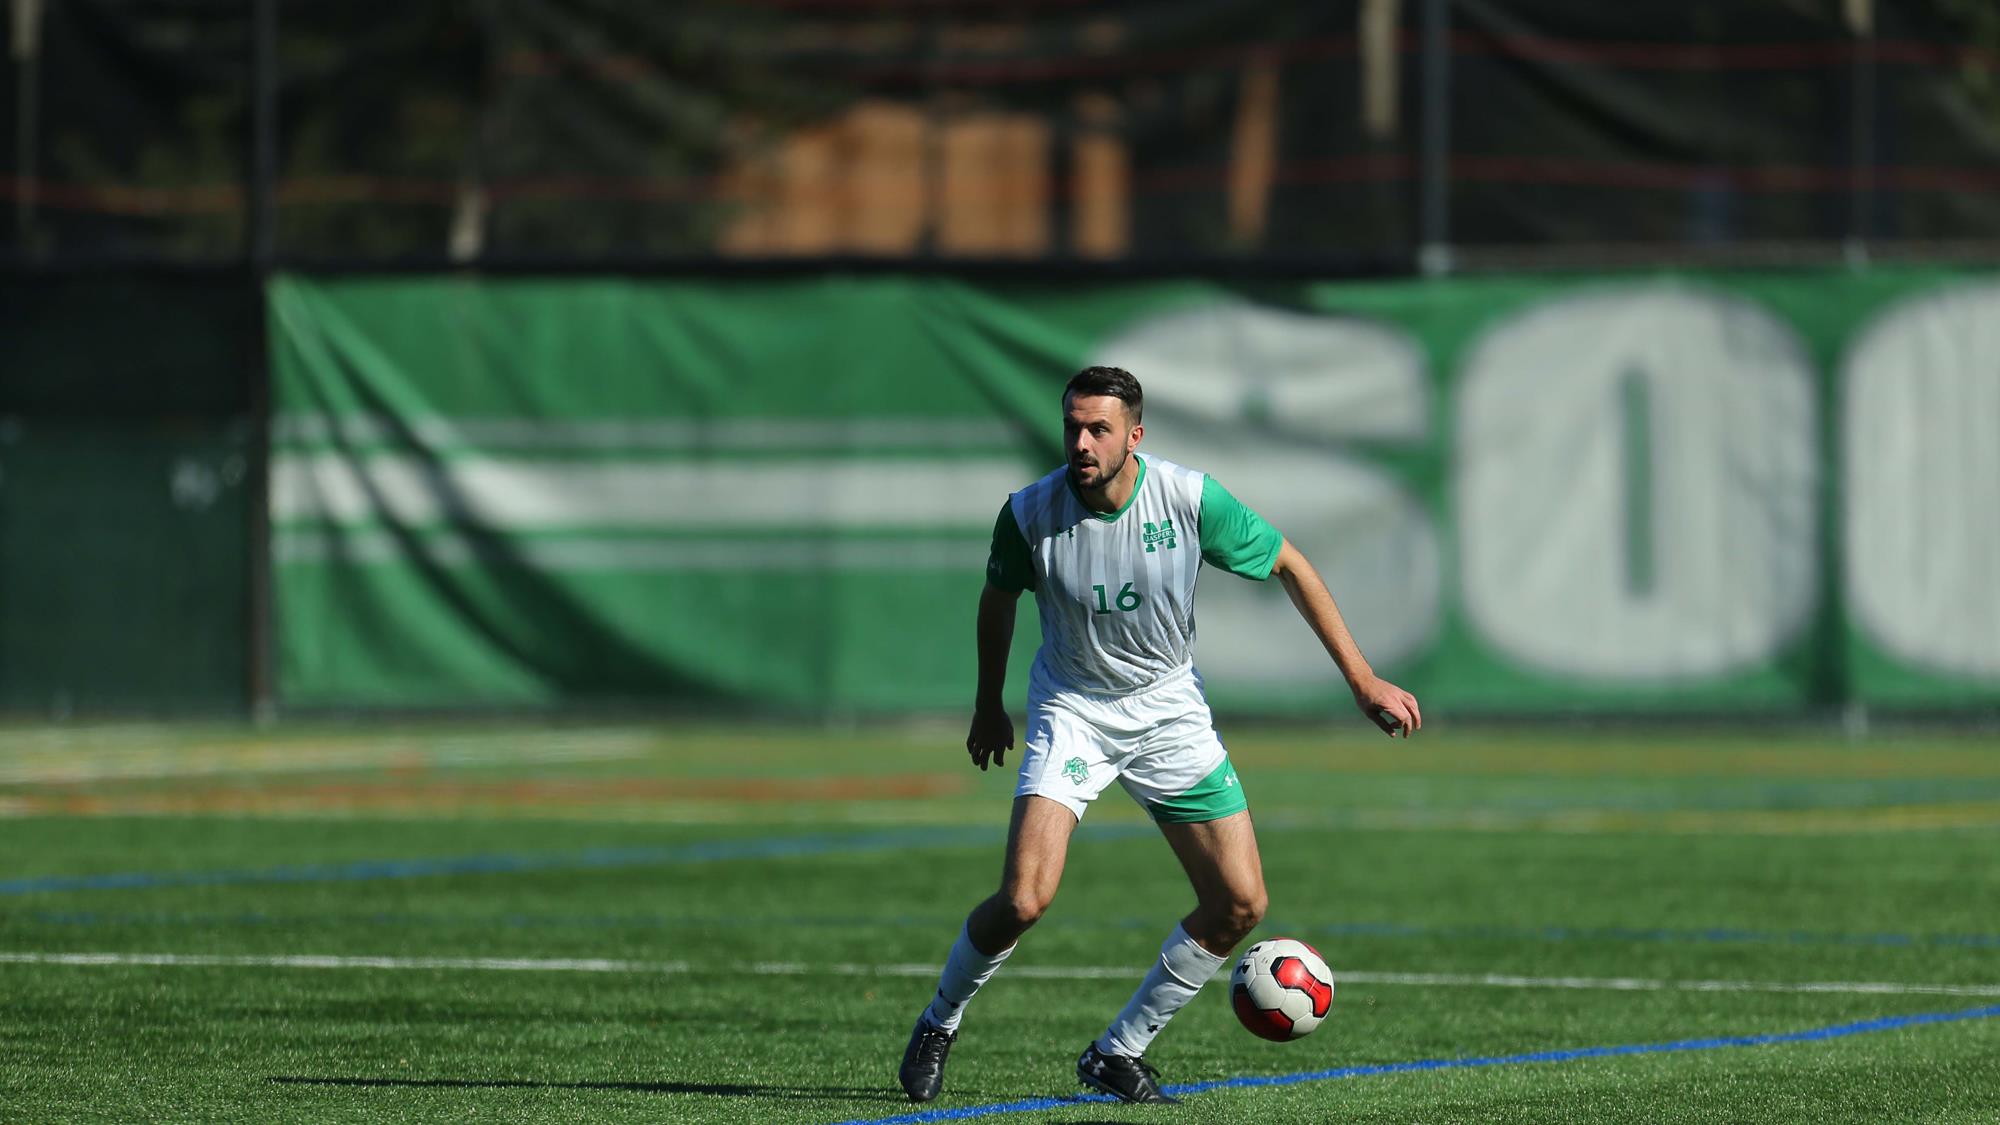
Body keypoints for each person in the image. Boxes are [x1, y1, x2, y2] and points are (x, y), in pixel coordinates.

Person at [896, 365, 1422, 1106]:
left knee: (1239, 902)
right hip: (1074, 707)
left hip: (1168, 708)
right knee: (1023, 898)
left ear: (1134, 435)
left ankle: (1119, 1050)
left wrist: (1363, 679)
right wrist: (988, 702)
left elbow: (1290, 564)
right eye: (1073, 425)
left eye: (1099, 428)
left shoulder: (1187, 498)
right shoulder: (1028, 512)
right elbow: (998, 599)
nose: (1081, 441)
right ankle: (939, 1020)